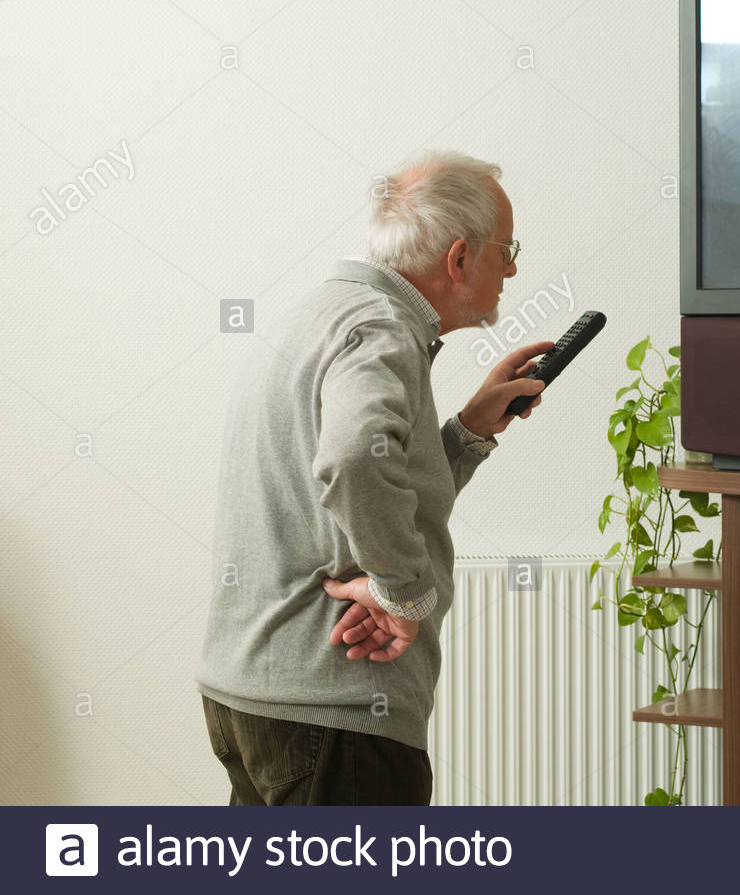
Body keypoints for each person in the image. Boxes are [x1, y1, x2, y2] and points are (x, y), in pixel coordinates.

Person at [195, 150, 551, 805]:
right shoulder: (380, 328)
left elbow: (359, 479)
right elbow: (356, 456)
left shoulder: (324, 314)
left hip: (255, 696)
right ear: (460, 257)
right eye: (508, 249)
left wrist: (468, 431)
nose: (514, 267)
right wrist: (405, 594)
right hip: (334, 710)